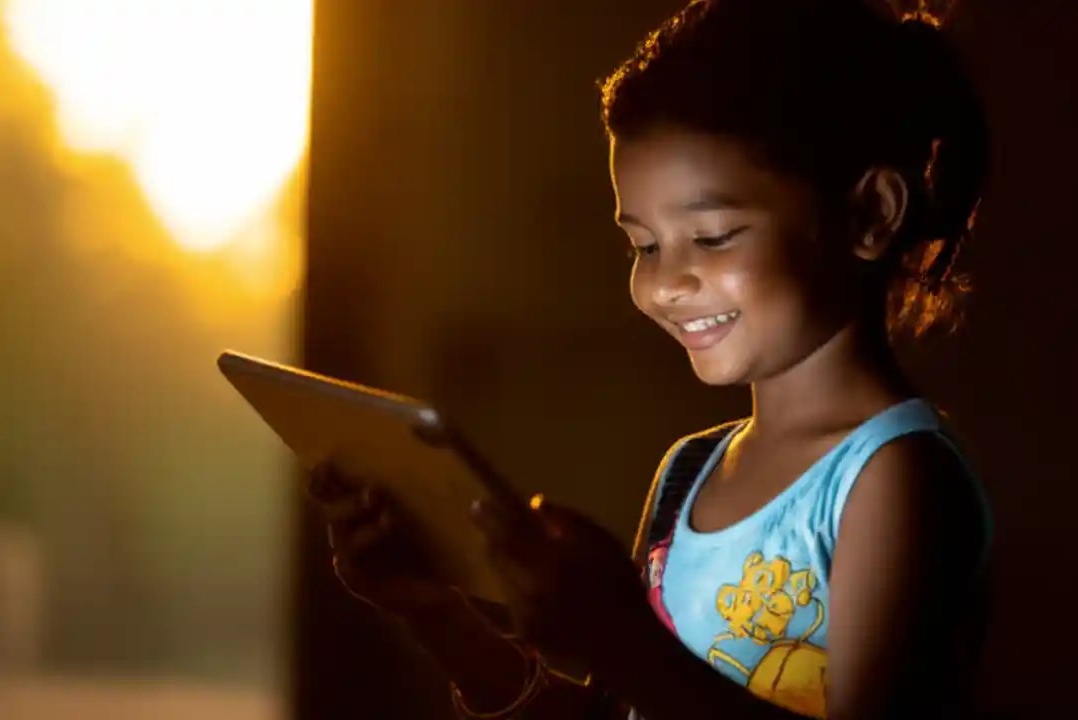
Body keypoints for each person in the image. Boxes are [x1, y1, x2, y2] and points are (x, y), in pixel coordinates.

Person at [310, 0, 993, 717]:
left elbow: (642, 669)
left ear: (871, 214)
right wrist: (437, 614)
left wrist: (625, 641)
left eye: (715, 236)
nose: (666, 284)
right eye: (644, 245)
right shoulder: (688, 473)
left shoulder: (897, 478)